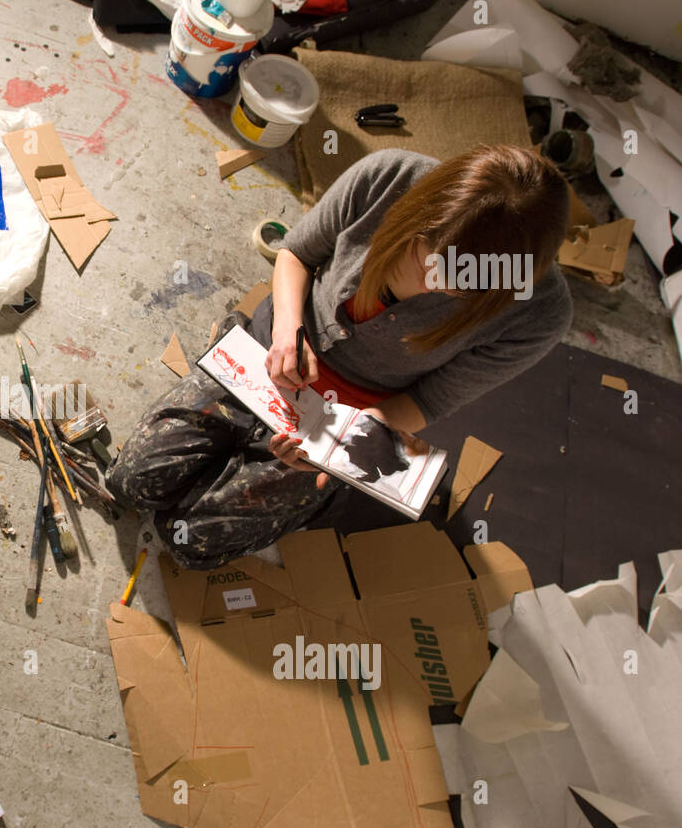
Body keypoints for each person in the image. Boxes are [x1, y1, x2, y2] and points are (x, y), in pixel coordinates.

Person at [107, 146, 572, 569]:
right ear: (423, 213)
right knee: (132, 482)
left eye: (460, 284)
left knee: (190, 541)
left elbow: (431, 401)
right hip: (266, 354)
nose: (433, 285)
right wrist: (287, 330)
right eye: (427, 260)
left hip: (341, 420)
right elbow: (297, 253)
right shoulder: (388, 177)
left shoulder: (537, 313)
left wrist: (345, 445)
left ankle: (317, 491)